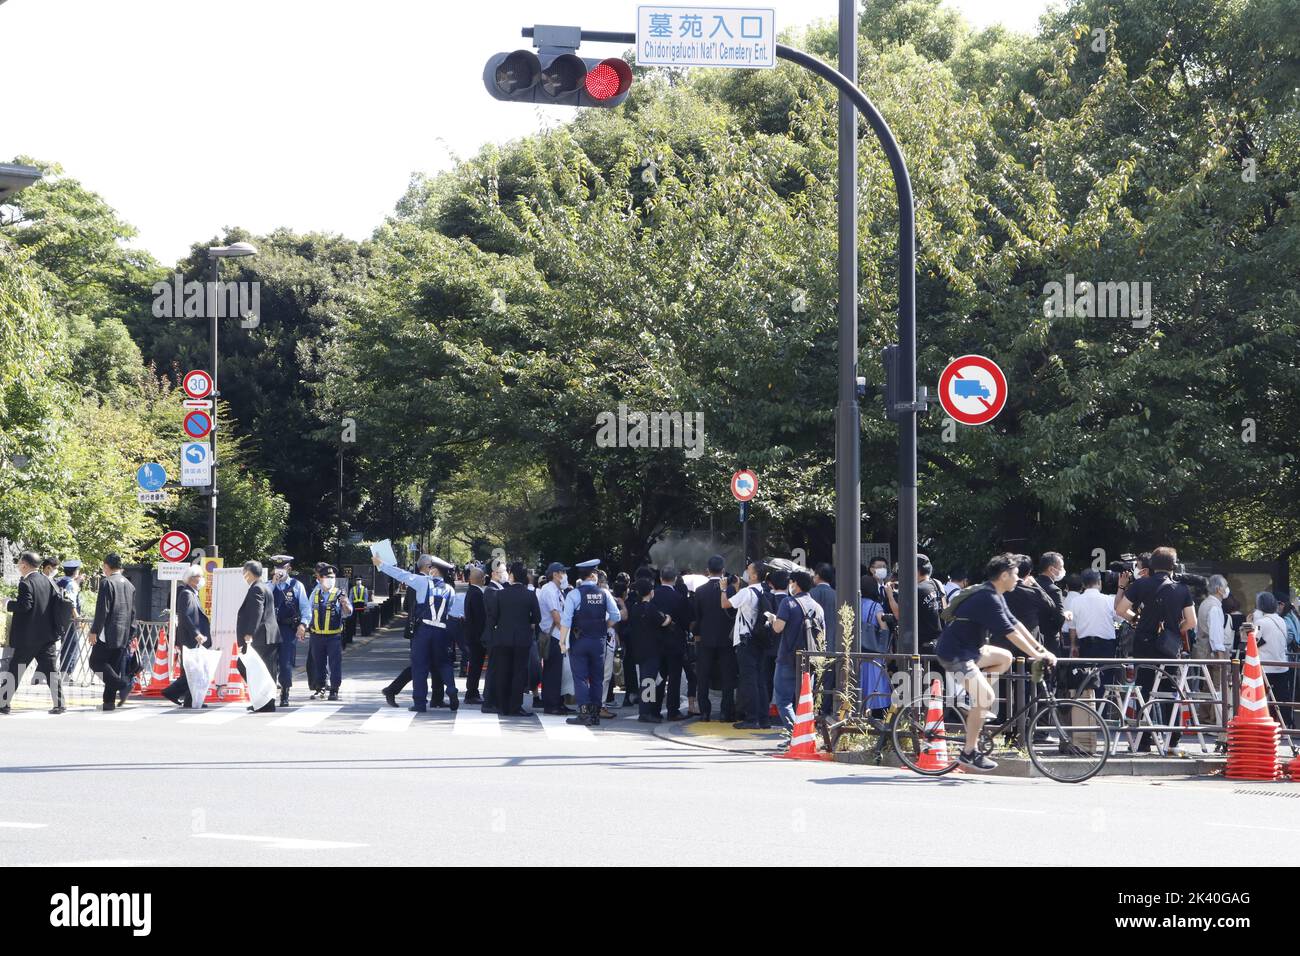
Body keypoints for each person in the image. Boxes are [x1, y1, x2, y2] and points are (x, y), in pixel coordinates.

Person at [935, 552, 1057, 771]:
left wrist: (1041, 650)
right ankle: (969, 752)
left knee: (1005, 657)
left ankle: (972, 700)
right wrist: (1038, 655)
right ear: (1003, 575)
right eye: (1015, 574)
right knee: (987, 696)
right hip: (955, 654)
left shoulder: (995, 594)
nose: (1018, 579)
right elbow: (1010, 633)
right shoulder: (988, 598)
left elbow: (1016, 624)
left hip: (971, 650)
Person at [1114, 546, 1196, 752]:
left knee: (1143, 690)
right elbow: (1191, 621)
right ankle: (1172, 739)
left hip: (1144, 644)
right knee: (1170, 692)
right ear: (1174, 566)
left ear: (1152, 565)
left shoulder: (1141, 584)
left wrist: (1137, 619)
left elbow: (1121, 609)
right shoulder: (1182, 589)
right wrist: (1175, 630)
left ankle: (1143, 740)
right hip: (1169, 648)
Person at [373, 553, 455, 712]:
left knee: (419, 667)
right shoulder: (449, 589)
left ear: (434, 571)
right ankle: (450, 690)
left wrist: (381, 565)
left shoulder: (422, 581)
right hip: (441, 631)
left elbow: (401, 574)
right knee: (443, 663)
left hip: (423, 629)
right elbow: (451, 612)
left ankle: (420, 702)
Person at [767, 569, 825, 748]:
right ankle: (805, 737)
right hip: (810, 660)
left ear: (796, 584)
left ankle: (796, 736)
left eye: (791, 582)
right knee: (804, 701)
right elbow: (823, 636)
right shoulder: (817, 607)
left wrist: (771, 619)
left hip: (787, 658)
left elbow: (778, 628)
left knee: (783, 700)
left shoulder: (788, 602)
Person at [559, 559, 621, 725]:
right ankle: (595, 714)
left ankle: (584, 713)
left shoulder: (574, 594)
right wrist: (603, 626)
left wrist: (562, 642)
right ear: (593, 575)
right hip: (598, 641)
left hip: (579, 641)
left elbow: (566, 621)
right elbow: (616, 616)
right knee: (597, 678)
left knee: (580, 678)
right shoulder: (604, 593)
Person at [2, 551, 61, 714]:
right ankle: (60, 704)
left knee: (15, 669)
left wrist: (8, 604)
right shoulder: (47, 581)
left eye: (19, 563)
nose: (18, 566)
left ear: (25, 565)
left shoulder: (26, 583)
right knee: (51, 672)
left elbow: (25, 606)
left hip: (28, 637)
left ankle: (3, 703)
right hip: (47, 636)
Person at [486, 561, 542, 716]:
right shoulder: (530, 595)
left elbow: (494, 617)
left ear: (511, 575)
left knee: (503, 672)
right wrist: (528, 623)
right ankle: (515, 706)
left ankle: (502, 705)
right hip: (522, 639)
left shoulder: (501, 594)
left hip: (503, 638)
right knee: (519, 673)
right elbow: (537, 617)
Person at [86, 553, 137, 712]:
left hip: (107, 632)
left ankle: (123, 685)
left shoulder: (107, 582)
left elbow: (103, 610)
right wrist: (132, 633)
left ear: (106, 566)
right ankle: (108, 702)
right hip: (124, 632)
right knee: (113, 668)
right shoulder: (129, 585)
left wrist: (94, 631)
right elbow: (133, 612)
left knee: (95, 662)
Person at [691, 555, 737, 722]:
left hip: (705, 637)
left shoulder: (700, 590)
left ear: (708, 570)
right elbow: (734, 614)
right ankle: (726, 711)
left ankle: (704, 712)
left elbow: (697, 616)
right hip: (727, 639)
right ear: (723, 570)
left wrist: (697, 634)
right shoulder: (731, 590)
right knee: (727, 676)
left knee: (703, 676)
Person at [162, 566, 211, 708]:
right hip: (190, 639)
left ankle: (190, 700)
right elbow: (185, 616)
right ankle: (171, 692)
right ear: (192, 579)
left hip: (192, 639)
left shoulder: (193, 594)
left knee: (192, 670)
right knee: (191, 670)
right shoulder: (186, 594)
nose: (202, 579)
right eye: (200, 576)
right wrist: (197, 634)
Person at [235, 560, 280, 712]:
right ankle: (265, 701)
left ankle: (264, 700)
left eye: (244, 573)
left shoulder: (256, 589)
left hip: (261, 636)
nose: (243, 576)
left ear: (248, 573)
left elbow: (256, 613)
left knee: (246, 665)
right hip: (267, 635)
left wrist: (249, 633)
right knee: (266, 669)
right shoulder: (264, 587)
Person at [306, 563, 354, 702]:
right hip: (316, 635)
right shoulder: (315, 593)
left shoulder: (340, 593)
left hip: (334, 636)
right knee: (318, 663)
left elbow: (348, 613)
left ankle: (334, 689)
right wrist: (303, 627)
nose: (330, 579)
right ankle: (320, 687)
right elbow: (308, 611)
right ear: (320, 578)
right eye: (327, 577)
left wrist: (344, 604)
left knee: (334, 664)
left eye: (332, 577)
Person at [885, 554, 946, 658]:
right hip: (939, 643)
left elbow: (899, 615)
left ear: (915, 570)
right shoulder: (937, 584)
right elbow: (944, 609)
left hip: (922, 648)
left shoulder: (915, 590)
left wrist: (890, 595)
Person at [651, 566, 692, 721]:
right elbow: (687, 620)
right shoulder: (680, 598)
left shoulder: (653, 595)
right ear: (675, 579)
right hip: (675, 642)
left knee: (656, 677)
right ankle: (672, 711)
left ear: (661, 578)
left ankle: (652, 709)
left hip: (656, 642)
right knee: (674, 678)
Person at [270, 556, 310, 706]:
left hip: (287, 629)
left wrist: (303, 625)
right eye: (277, 568)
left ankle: (285, 691)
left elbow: (305, 608)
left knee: (286, 662)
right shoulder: (269, 585)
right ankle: (268, 691)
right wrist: (273, 584)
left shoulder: (296, 585)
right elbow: (261, 598)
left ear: (289, 569)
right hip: (270, 628)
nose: (279, 571)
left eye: (283, 568)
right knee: (269, 661)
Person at [1253, 592, 1293, 728]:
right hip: (1282, 665)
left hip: (1265, 667)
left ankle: (1266, 724)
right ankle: (1285, 724)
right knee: (1282, 698)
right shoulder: (1281, 620)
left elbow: (1254, 642)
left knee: (1263, 698)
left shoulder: (1261, 622)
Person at [536, 561, 571, 716]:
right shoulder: (549, 590)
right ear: (556, 574)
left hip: (558, 635)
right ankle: (551, 704)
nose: (565, 575)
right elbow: (556, 617)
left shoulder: (556, 590)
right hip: (554, 636)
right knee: (552, 672)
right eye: (563, 572)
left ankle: (558, 702)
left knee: (557, 672)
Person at [808, 563, 840, 715]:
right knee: (827, 681)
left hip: (813, 644)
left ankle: (809, 710)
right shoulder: (837, 595)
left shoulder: (811, 594)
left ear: (818, 576)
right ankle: (823, 711)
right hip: (833, 644)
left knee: (810, 679)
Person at [1033, 552, 1071, 655]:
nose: (1063, 570)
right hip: (1050, 641)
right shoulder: (1054, 590)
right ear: (1051, 569)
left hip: (1033, 638)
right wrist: (1065, 614)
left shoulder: (1031, 586)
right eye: (1061, 567)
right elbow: (1059, 618)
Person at [54, 559, 85, 680]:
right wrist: (77, 617)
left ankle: (63, 672)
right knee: (72, 645)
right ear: (76, 571)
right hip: (70, 619)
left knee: (65, 644)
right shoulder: (72, 584)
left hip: (61, 618)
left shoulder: (61, 580)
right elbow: (71, 601)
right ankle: (67, 673)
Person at [462, 565, 489, 705]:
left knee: (474, 664)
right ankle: (472, 692)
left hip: (471, 635)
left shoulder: (471, 592)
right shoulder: (477, 594)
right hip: (477, 637)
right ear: (482, 579)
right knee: (476, 665)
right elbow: (481, 618)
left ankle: (472, 691)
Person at [345, 576, 370, 646]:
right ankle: (353, 632)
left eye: (359, 580)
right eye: (357, 580)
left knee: (363, 620)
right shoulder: (353, 589)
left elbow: (366, 597)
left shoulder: (364, 588)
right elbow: (350, 597)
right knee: (353, 620)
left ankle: (363, 632)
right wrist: (350, 605)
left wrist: (365, 604)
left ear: (361, 581)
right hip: (354, 605)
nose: (358, 581)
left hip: (361, 605)